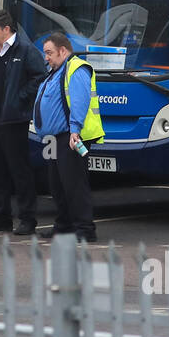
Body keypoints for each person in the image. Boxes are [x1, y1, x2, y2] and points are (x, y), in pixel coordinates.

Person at [0, 9, 47, 235]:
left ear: (6, 29)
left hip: (13, 119)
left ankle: (27, 219)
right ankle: (1, 217)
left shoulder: (26, 50)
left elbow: (40, 78)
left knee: (19, 170)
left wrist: (19, 99)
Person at [32, 32, 105, 243]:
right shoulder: (57, 70)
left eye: (49, 53)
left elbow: (80, 102)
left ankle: (85, 228)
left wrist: (75, 131)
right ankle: (64, 225)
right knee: (57, 184)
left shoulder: (76, 69)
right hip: (56, 137)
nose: (46, 58)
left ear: (63, 51)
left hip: (71, 136)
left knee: (73, 184)